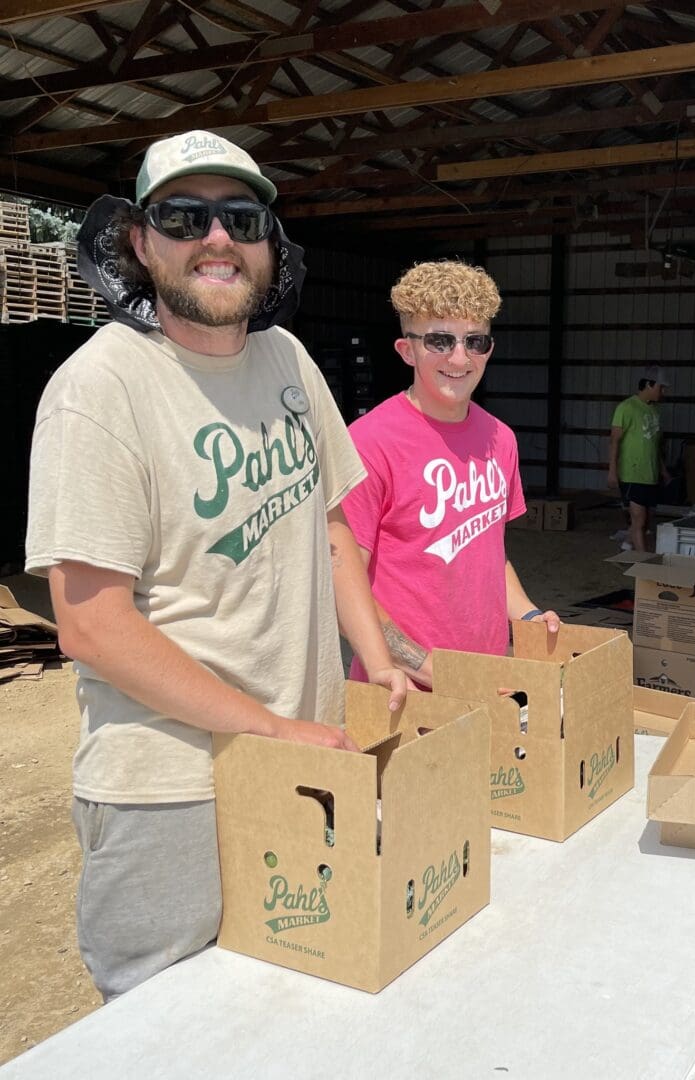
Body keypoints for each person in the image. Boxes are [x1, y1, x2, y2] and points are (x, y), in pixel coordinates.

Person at [24, 130, 406, 1001]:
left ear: (270, 242)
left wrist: (378, 659)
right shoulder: (100, 390)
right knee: (169, 1026)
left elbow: (333, 526)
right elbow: (90, 623)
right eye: (184, 216)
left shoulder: (288, 360)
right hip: (172, 785)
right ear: (139, 240)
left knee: (286, 999)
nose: (217, 238)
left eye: (241, 217)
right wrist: (273, 730)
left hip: (294, 760)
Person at [340, 260, 558, 689]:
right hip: (404, 692)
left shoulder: (501, 439)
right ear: (407, 350)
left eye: (475, 341)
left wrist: (529, 615)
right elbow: (342, 586)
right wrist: (429, 670)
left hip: (486, 680)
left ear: (489, 349)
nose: (460, 358)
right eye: (440, 341)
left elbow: (489, 554)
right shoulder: (369, 443)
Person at [608, 364, 672, 551]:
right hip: (631, 473)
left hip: (650, 474)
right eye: (661, 387)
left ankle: (628, 544)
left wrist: (663, 470)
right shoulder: (626, 408)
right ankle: (643, 562)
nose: (663, 392)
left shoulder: (655, 411)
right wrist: (612, 470)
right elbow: (614, 441)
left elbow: (653, 445)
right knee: (639, 519)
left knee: (645, 520)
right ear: (650, 385)